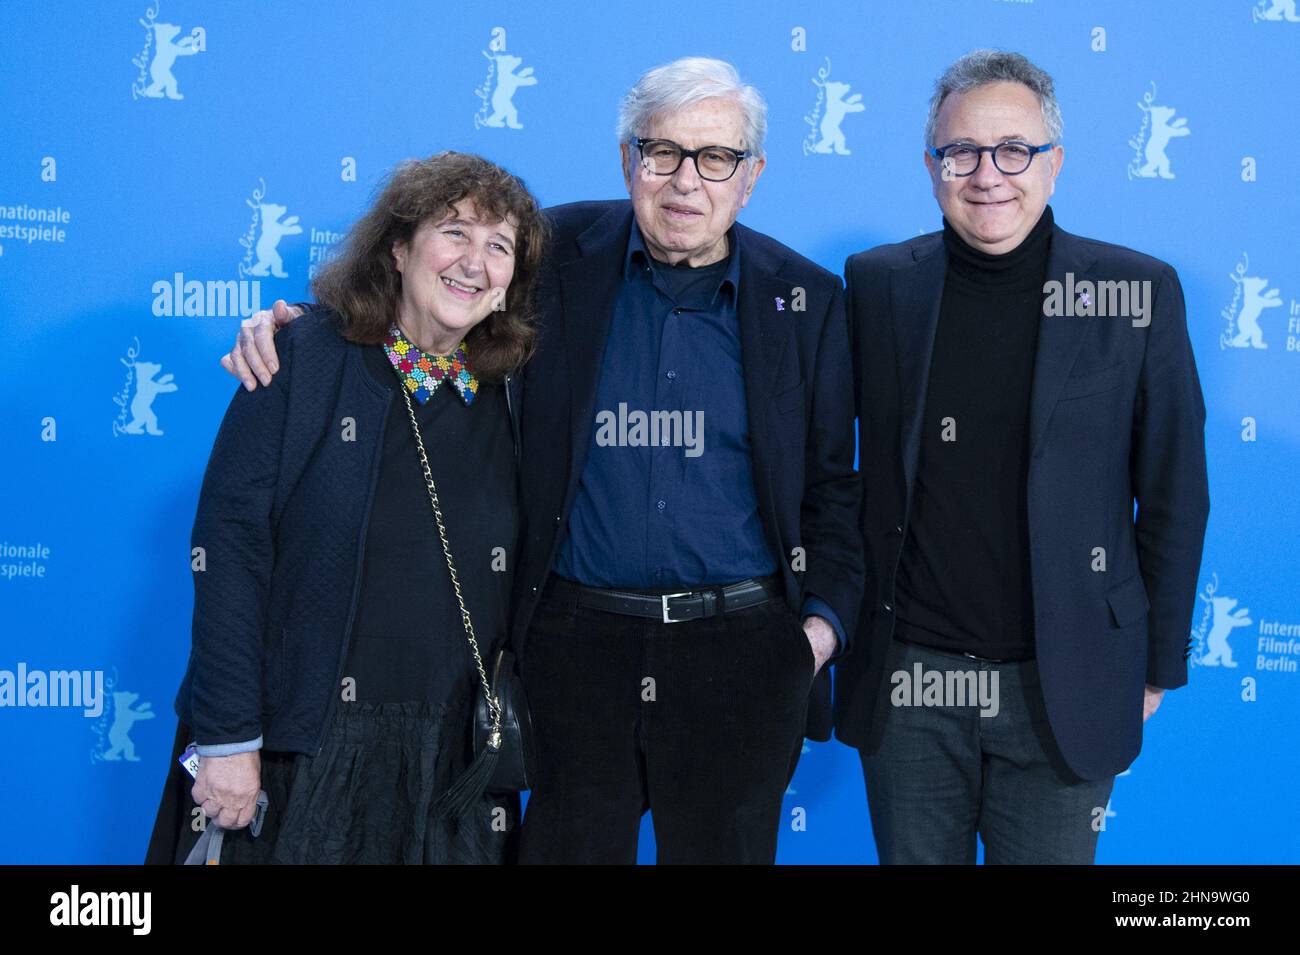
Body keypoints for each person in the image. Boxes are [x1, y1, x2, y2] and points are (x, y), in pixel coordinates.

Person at [219, 57, 864, 865]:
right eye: (662, 151)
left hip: (741, 652)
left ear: (751, 175)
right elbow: (433, 297)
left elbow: (836, 489)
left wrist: (813, 637)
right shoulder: (550, 256)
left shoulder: (803, 298)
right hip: (572, 649)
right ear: (627, 158)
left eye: (715, 158)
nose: (685, 181)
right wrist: (303, 330)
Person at [834, 49, 1210, 864]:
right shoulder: (876, 285)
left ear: (1053, 163)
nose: (987, 175)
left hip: (1067, 682)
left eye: (1014, 150)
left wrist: (1155, 665)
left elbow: (1175, 491)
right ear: (931, 166)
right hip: (909, 683)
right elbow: (831, 471)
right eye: (961, 152)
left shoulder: (1136, 291)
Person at [145, 151, 548, 864]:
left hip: (452, 771)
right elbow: (229, 550)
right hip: (299, 751)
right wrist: (229, 738)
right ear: (398, 248)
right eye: (454, 232)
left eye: (499, 246)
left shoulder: (517, 394)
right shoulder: (298, 358)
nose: (474, 262)